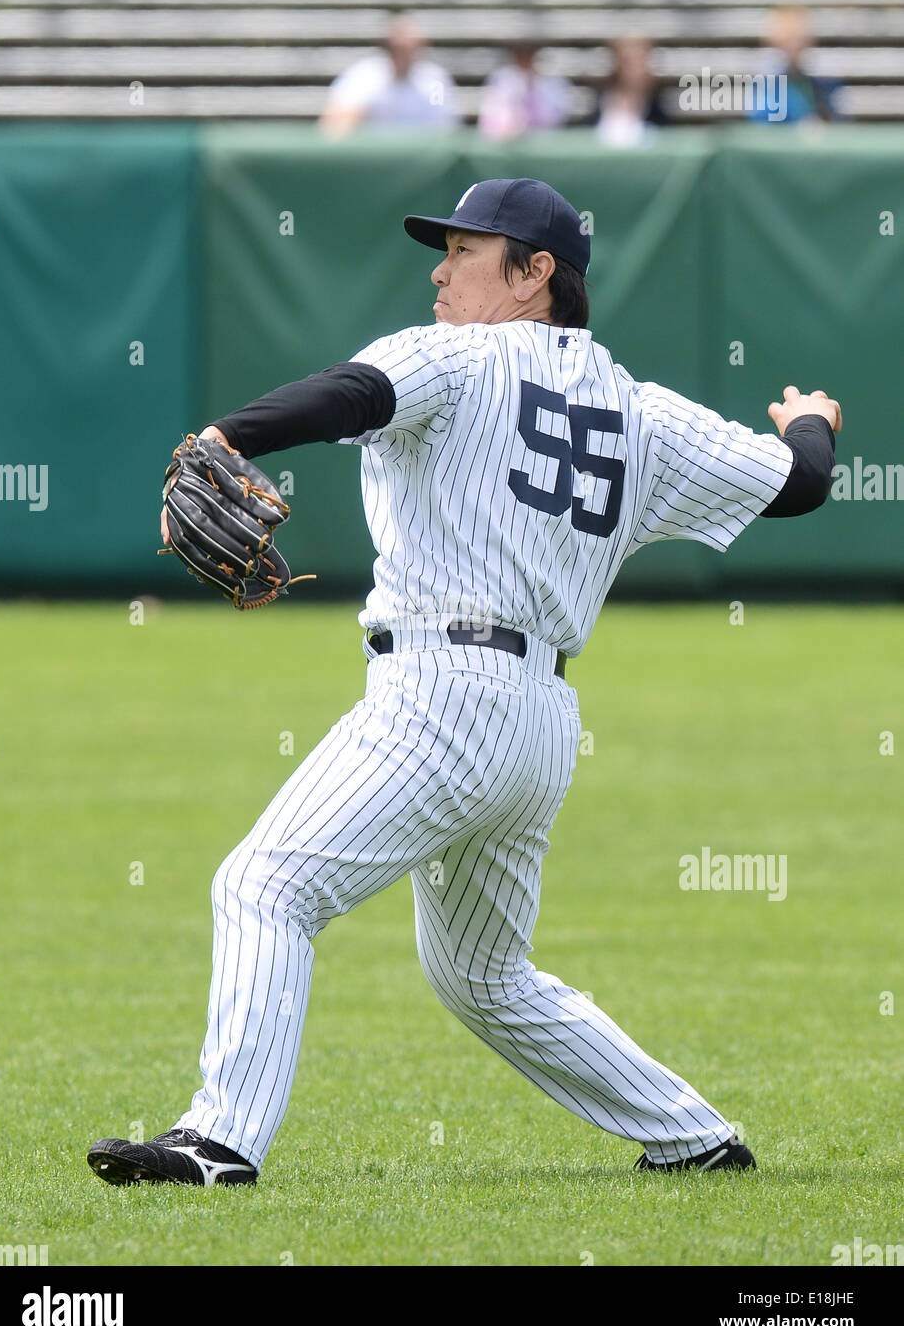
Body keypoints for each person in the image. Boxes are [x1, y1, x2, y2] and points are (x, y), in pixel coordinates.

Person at [87, 177, 841, 1188]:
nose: (440, 270)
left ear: (536, 276)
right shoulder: (641, 409)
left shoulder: (452, 354)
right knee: (480, 973)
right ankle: (693, 1133)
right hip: (536, 724)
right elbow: (797, 486)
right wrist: (810, 420)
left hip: (436, 696)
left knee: (264, 884)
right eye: (441, 251)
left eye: (468, 252)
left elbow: (352, 395)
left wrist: (229, 435)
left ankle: (219, 1140)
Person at [319, 13, 457, 137]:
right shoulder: (363, 75)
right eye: (397, 47)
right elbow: (335, 126)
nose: (405, 54)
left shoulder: (435, 81)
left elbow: (443, 125)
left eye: (411, 47)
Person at [746, 5, 840, 124]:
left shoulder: (821, 80)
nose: (793, 44)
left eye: (797, 36)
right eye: (788, 37)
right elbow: (763, 122)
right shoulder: (766, 81)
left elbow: (836, 117)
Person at [478, 39, 572, 140]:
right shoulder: (501, 78)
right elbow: (490, 121)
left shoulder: (553, 81)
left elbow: (553, 120)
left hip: (544, 142)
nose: (525, 58)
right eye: (521, 54)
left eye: (529, 54)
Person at [592, 37, 671, 147]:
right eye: (629, 62)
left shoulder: (658, 110)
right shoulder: (601, 103)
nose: (636, 69)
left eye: (641, 60)